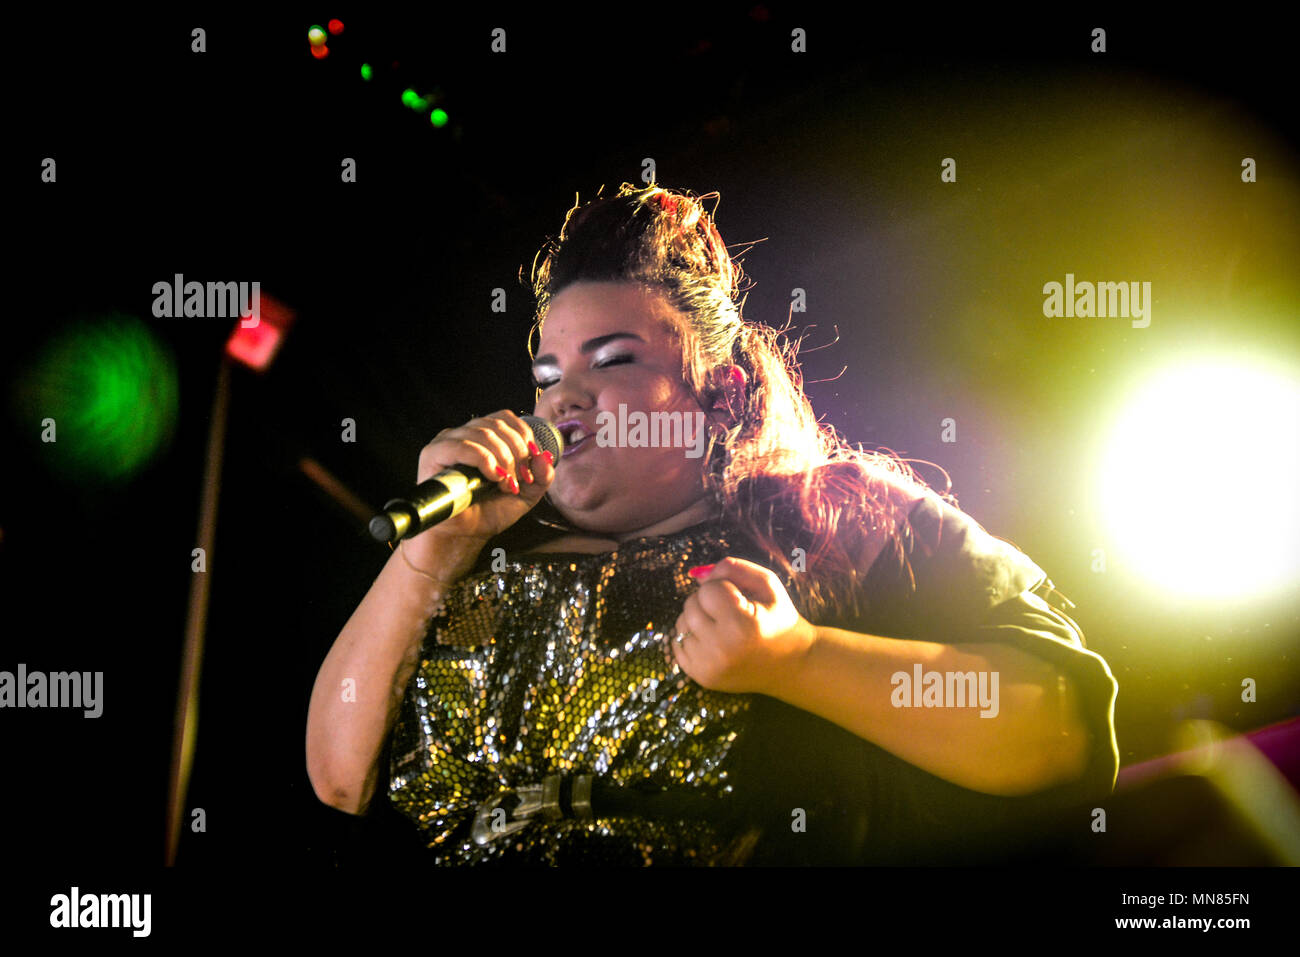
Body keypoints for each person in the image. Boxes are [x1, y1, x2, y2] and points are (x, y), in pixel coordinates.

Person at [305, 182, 1120, 865]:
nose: (562, 398)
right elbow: (340, 778)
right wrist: (432, 553)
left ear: (723, 394)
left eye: (613, 360)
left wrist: (799, 658)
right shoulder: (477, 554)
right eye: (548, 374)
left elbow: (1056, 729)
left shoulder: (838, 515)